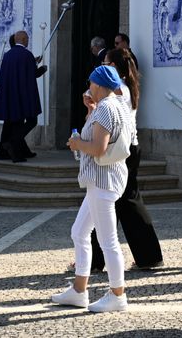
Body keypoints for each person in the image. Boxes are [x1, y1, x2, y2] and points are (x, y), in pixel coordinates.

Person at [51, 65, 134, 314]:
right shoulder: (116, 104)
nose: (88, 87)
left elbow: (98, 148)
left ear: (97, 84)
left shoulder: (106, 108)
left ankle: (118, 295)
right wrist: (91, 111)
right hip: (103, 179)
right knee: (79, 232)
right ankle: (79, 291)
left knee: (108, 240)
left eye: (90, 83)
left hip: (102, 180)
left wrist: (77, 143)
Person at [90, 46, 163, 272]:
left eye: (105, 63)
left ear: (113, 66)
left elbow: (110, 119)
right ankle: (148, 256)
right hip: (129, 147)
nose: (102, 66)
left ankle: (93, 259)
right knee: (127, 202)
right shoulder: (127, 87)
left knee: (105, 200)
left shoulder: (118, 90)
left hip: (120, 150)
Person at [0, 29, 47, 162]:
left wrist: (33, 61)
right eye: (27, 38)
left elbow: (20, 70)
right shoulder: (27, 55)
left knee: (10, 123)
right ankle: (12, 144)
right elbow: (32, 74)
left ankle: (4, 152)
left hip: (9, 96)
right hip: (22, 96)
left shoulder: (7, 55)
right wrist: (42, 69)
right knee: (31, 121)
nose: (28, 40)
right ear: (22, 40)